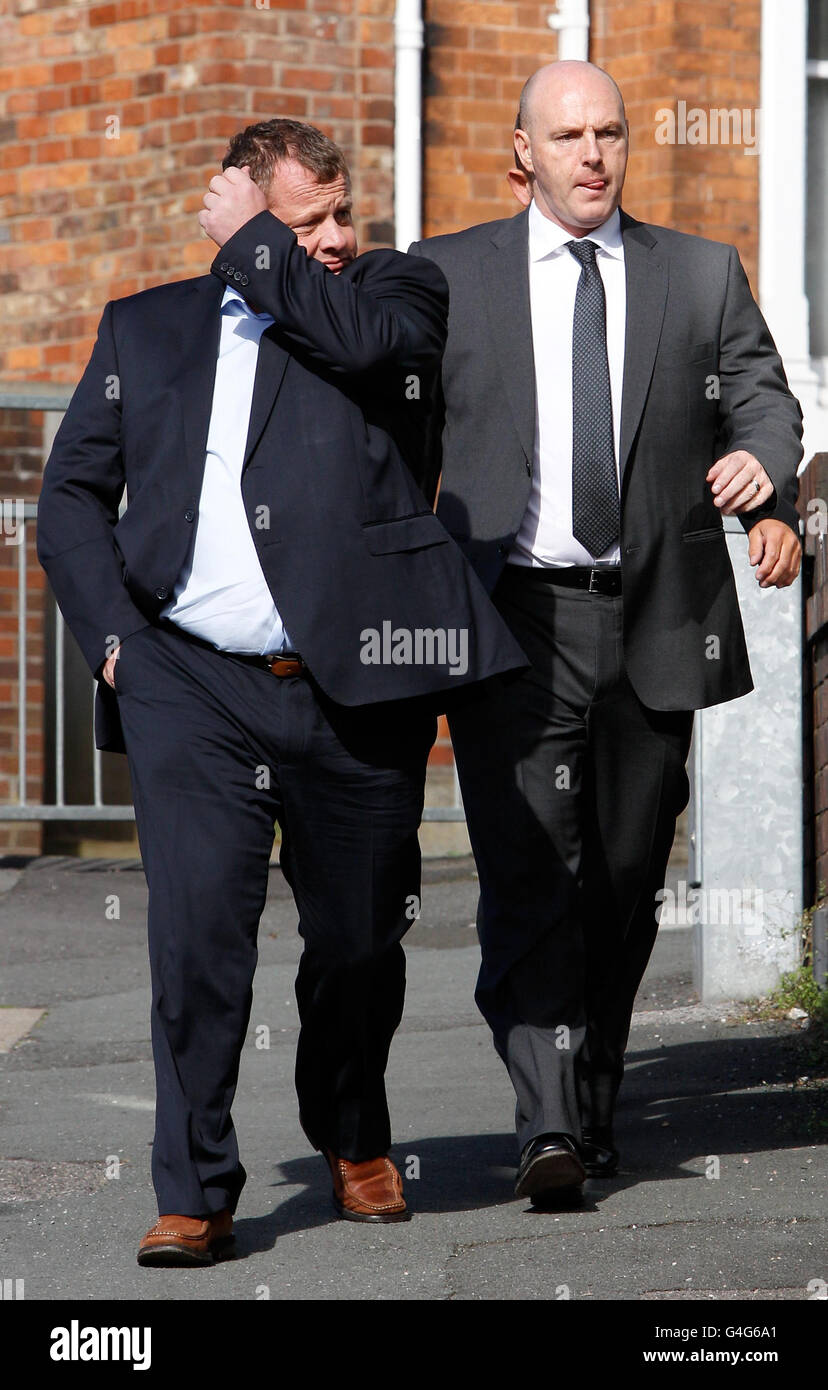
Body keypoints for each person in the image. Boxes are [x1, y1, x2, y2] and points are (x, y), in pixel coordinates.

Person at [37, 118, 525, 1264]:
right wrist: (116, 644)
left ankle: (352, 1131)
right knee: (198, 938)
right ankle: (195, 1187)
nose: (338, 237)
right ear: (247, 210)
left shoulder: (396, 296)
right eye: (309, 220)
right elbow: (70, 496)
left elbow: (367, 348)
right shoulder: (147, 328)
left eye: (341, 213)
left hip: (360, 682)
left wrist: (262, 244)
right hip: (190, 682)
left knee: (360, 940)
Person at [409, 61, 803, 1205]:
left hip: (655, 614)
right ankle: (548, 1122)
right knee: (531, 869)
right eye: (569, 135)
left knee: (624, 883)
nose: (593, 154)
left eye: (611, 133)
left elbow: (763, 397)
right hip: (516, 618)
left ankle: (591, 1093)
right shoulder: (450, 274)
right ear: (523, 151)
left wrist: (765, 473)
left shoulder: (699, 272)